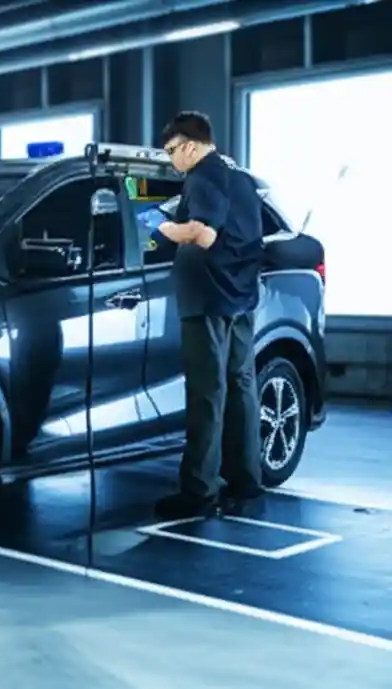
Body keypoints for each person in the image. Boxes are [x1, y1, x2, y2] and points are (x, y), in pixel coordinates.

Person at [154, 111, 266, 519]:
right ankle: (246, 479)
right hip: (241, 297)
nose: (171, 161)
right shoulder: (242, 179)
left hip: (207, 300)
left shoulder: (202, 176)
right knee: (241, 386)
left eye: (171, 152)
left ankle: (199, 490)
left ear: (188, 145)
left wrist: (162, 228)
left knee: (207, 393)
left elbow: (203, 233)